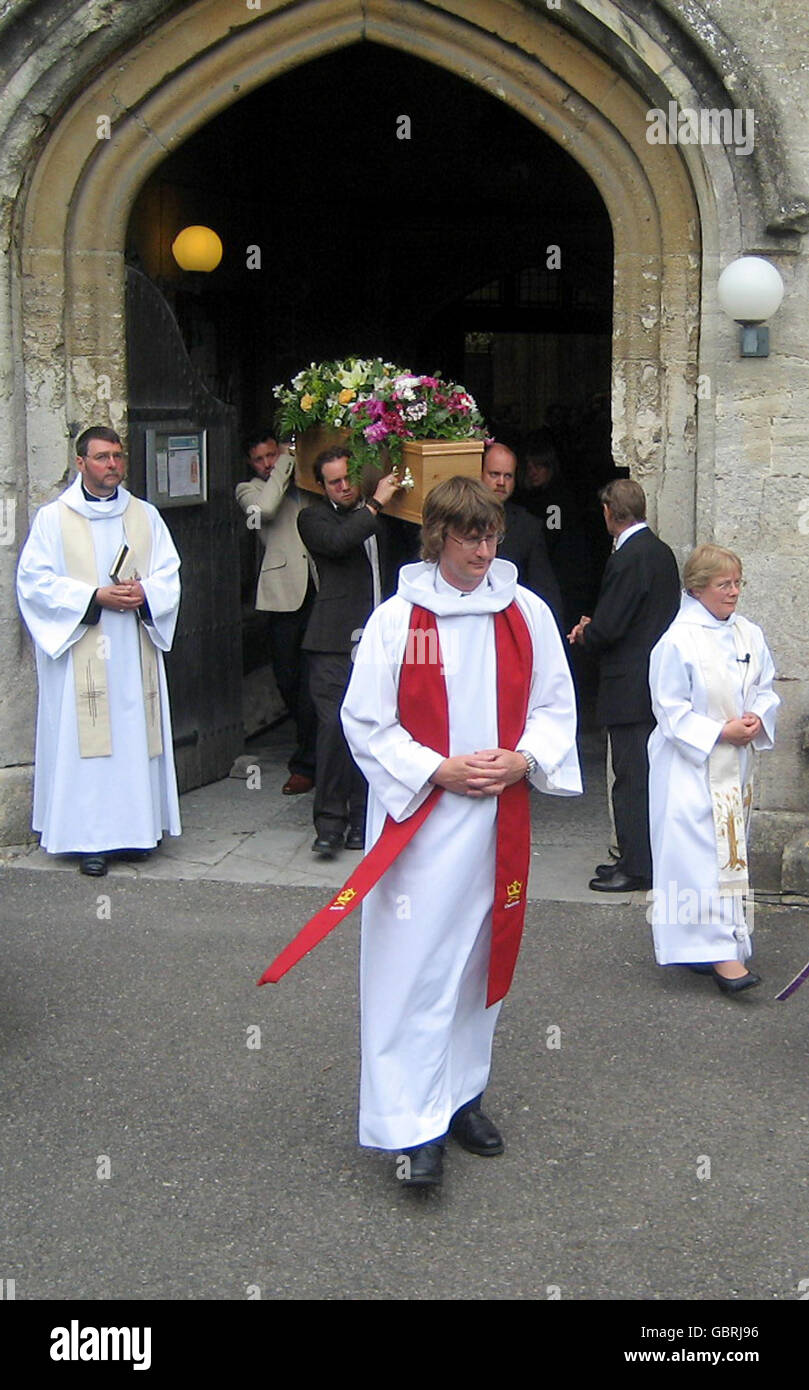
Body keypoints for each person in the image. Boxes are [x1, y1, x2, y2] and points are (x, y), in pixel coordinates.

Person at [341, 476, 581, 1187]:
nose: (484, 551)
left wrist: (524, 758)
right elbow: (366, 720)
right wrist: (435, 769)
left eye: (491, 536)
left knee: (478, 963)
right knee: (412, 970)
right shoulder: (398, 621)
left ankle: (460, 1097)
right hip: (422, 826)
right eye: (470, 537)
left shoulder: (525, 613)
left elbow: (554, 704)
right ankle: (411, 1126)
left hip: (495, 821)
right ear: (437, 537)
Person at [16, 425, 181, 875]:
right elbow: (34, 584)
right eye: (103, 457)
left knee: (132, 737)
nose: (113, 465)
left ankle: (135, 833)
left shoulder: (145, 515)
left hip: (132, 650)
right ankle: (89, 839)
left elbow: (169, 574)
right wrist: (94, 598)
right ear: (80, 463)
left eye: (117, 456)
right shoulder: (54, 519)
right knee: (86, 743)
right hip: (82, 650)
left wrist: (146, 593)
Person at [647, 544, 778, 994]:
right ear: (697, 588)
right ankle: (720, 954)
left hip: (733, 766)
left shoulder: (749, 634)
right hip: (688, 767)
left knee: (728, 852)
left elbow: (765, 687)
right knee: (698, 858)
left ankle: (718, 945)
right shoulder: (677, 641)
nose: (734, 592)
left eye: (738, 582)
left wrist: (757, 717)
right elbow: (669, 709)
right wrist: (719, 731)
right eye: (724, 584)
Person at [568, 479, 680, 893]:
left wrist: (586, 632)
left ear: (608, 512)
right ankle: (639, 858)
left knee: (631, 780)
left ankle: (636, 867)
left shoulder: (628, 556)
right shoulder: (661, 552)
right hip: (653, 681)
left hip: (628, 686)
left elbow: (611, 626)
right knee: (644, 776)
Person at [297, 447, 401, 858]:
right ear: (321, 486)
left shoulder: (382, 518)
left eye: (347, 478)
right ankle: (329, 824)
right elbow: (339, 543)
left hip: (379, 642)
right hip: (332, 643)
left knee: (373, 728)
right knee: (334, 729)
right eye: (334, 482)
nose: (343, 487)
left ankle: (362, 819)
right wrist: (376, 503)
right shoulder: (313, 518)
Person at [235, 429, 317, 795]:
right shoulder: (249, 489)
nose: (268, 464)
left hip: (318, 589)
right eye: (260, 459)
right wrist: (285, 461)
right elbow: (265, 510)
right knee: (288, 678)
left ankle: (309, 761)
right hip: (283, 596)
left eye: (272, 455)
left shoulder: (306, 481)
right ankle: (307, 747)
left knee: (317, 680)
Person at [480, 442, 563, 624]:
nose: (501, 482)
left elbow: (544, 589)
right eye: (494, 474)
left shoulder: (530, 525)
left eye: (508, 476)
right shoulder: (455, 520)